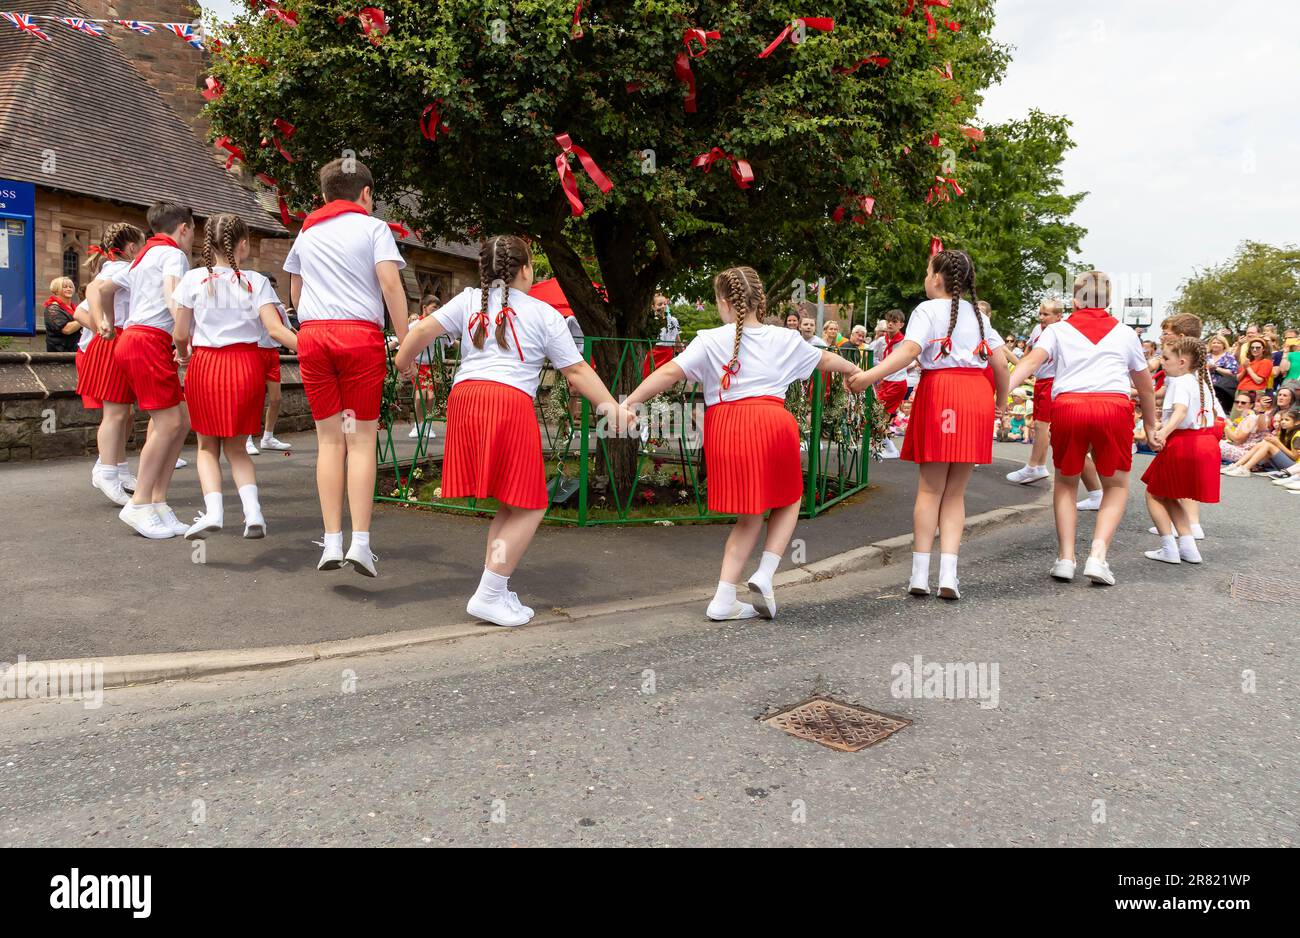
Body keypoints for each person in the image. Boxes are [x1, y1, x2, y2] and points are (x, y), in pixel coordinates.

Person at [396, 235, 630, 627]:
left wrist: (404, 362)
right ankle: (489, 593)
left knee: (510, 503)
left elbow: (420, 332)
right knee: (533, 503)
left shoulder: (469, 299)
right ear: (525, 269)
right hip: (507, 403)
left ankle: (497, 590)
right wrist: (614, 411)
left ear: (483, 270)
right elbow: (576, 371)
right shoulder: (543, 313)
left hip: (466, 400)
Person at [624, 266, 866, 620]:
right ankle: (766, 573)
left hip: (726, 427)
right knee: (789, 497)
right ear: (760, 300)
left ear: (724, 302)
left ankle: (723, 598)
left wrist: (630, 401)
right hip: (772, 421)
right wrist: (853, 370)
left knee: (750, 513)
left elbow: (668, 372)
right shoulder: (784, 338)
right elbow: (824, 359)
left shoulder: (708, 339)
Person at [848, 249, 1009, 600]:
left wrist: (867, 377)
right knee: (955, 493)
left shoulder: (926, 310)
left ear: (937, 278)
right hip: (975, 397)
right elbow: (1000, 365)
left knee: (930, 490)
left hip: (942, 393)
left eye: (926, 271)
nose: (924, 277)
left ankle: (920, 575)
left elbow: (908, 353)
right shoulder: (979, 316)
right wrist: (1000, 403)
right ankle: (949, 575)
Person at [283, 158, 410, 575]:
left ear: (323, 196)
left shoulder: (308, 230)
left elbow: (295, 289)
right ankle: (360, 543)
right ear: (366, 194)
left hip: (315, 337)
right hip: (357, 338)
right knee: (358, 440)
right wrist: (405, 341)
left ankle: (331, 541)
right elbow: (390, 283)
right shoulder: (374, 229)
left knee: (330, 442)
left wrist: (313, 322)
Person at [1006, 270, 1158, 586]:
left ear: (1075, 299)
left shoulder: (1058, 330)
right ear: (1109, 300)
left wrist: (1002, 390)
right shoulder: (1126, 333)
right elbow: (1144, 387)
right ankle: (1097, 557)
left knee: (1065, 482)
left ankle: (1065, 558)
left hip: (1069, 405)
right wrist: (1152, 425)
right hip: (1112, 407)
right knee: (1115, 486)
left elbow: (1031, 362)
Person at [172, 214, 299, 540]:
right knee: (238, 449)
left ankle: (214, 512)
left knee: (206, 447)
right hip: (246, 366)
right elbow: (275, 330)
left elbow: (181, 333)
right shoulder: (256, 282)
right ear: (242, 244)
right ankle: (253, 513)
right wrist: (315, 348)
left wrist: (183, 356)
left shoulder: (193, 279)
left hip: (206, 367)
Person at [97, 201, 196, 539]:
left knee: (179, 422)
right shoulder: (173, 255)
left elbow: (100, 288)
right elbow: (173, 298)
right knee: (169, 423)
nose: (192, 238)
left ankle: (158, 502)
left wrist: (106, 320)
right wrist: (186, 342)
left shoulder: (142, 256)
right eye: (192, 231)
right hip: (148, 341)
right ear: (183, 228)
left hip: (136, 339)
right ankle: (140, 503)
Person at [80, 223, 146, 505]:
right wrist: (103, 326)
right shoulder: (123, 270)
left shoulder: (114, 269)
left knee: (124, 413)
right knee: (116, 413)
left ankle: (117, 468)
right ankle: (106, 471)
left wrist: (100, 326)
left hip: (115, 339)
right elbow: (88, 301)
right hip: (114, 341)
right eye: (141, 246)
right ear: (132, 248)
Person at [1141, 336, 1222, 564]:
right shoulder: (1200, 382)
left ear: (1183, 362)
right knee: (1169, 495)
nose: (1163, 362)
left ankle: (1169, 547)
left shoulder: (1182, 382)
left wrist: (1163, 432)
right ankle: (1188, 547)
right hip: (1203, 442)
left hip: (1185, 442)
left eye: (1166, 358)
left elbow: (1180, 411)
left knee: (1154, 493)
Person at [1006, 298, 1064, 485]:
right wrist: (1025, 367)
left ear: (1058, 316)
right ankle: (1039, 466)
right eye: (1040, 313)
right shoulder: (1038, 330)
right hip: (1040, 380)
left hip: (1053, 381)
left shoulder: (1062, 331)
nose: (1041, 317)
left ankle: (1031, 467)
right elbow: (1030, 349)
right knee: (1039, 427)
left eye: (1046, 314)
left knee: (1041, 425)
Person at [245, 272, 295, 455]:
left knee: (276, 398)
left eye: (274, 287)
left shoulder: (279, 309)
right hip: (255, 351)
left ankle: (268, 437)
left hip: (271, 354)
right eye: (269, 286)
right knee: (253, 398)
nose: (272, 290)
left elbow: (288, 329)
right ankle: (247, 438)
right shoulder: (251, 305)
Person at [1222, 407, 1299, 477]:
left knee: (1268, 445)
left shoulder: (1297, 435)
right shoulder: (1283, 433)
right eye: (1282, 419)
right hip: (1286, 464)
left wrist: (1277, 443)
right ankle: (1237, 465)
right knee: (1264, 443)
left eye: (1287, 420)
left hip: (1294, 467)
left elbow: (1294, 457)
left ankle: (1245, 469)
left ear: (1297, 422)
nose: (1282, 422)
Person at [868, 309, 909, 416]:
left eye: (894, 322)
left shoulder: (904, 342)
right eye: (888, 321)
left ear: (901, 325)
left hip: (897, 382)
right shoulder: (881, 341)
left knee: (876, 410)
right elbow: (870, 355)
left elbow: (914, 358)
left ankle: (879, 431)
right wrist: (880, 366)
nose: (890, 324)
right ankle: (883, 432)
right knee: (882, 414)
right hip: (884, 381)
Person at [43, 277, 81, 352]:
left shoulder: (75, 308)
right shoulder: (52, 308)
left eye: (70, 287)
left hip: (75, 350)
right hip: (60, 353)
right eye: (65, 287)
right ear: (56, 290)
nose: (69, 289)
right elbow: (66, 329)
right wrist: (84, 320)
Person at [1206, 334, 1239, 415]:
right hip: (1207, 386)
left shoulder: (1228, 357)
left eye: (1218, 343)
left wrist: (1216, 368)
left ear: (1224, 345)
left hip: (1222, 389)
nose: (1215, 345)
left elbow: (1232, 373)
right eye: (1214, 343)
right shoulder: (1206, 356)